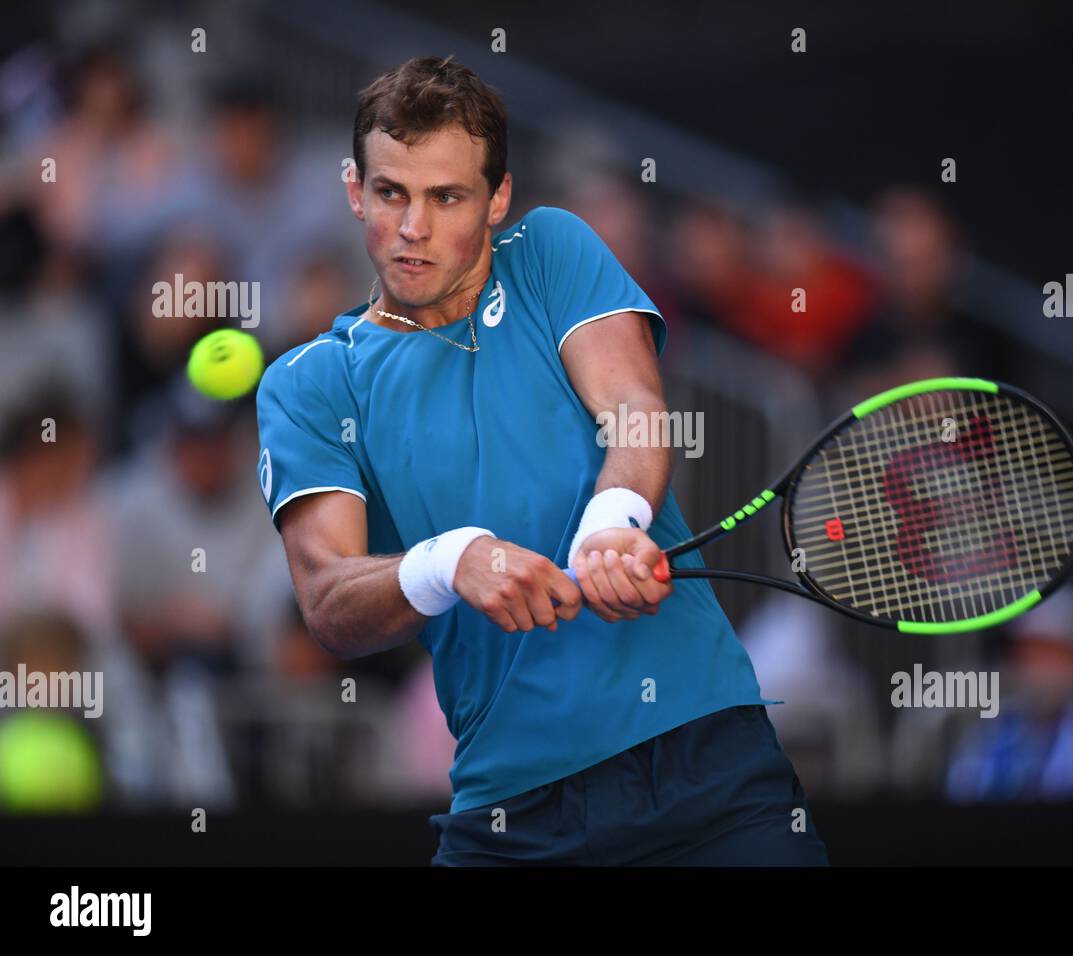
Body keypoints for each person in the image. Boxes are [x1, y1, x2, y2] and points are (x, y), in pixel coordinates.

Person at [254, 55, 828, 866]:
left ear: (498, 199)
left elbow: (633, 408)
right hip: (510, 815)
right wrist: (452, 562)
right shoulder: (310, 384)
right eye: (391, 193)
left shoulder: (552, 251)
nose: (413, 227)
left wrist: (613, 521)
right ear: (355, 190)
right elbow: (328, 599)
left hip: (706, 762)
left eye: (446, 197)